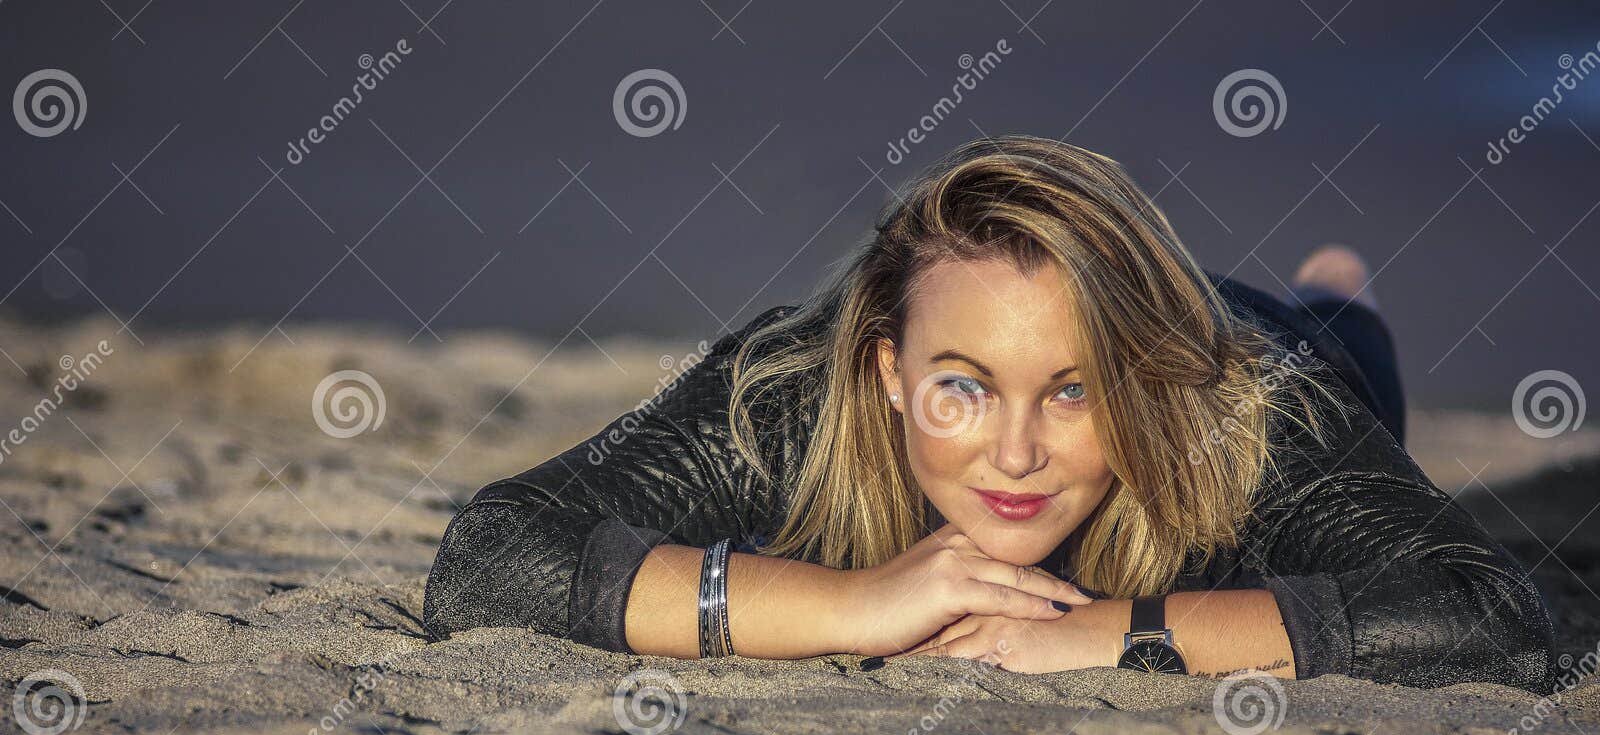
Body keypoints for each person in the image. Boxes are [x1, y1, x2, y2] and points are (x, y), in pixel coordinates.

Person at [423, 135, 1554, 693]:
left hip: (1274, 339)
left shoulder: (1245, 409)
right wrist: (850, 606)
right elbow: (491, 558)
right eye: (960, 387)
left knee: (1345, 348)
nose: (1015, 453)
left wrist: (1113, 634)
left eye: (1073, 392)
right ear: (887, 372)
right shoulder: (785, 389)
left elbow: (1490, 613)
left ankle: (1338, 292)